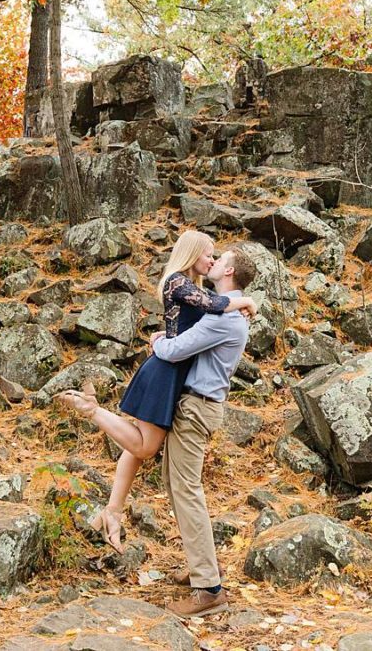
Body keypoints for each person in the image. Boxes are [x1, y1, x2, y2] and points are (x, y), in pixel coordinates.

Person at [56, 231, 255, 551]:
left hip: (175, 372)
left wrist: (165, 334)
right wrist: (244, 301)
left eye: (215, 256)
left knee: (138, 445)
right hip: (166, 369)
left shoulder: (195, 286)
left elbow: (192, 326)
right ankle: (91, 409)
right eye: (208, 254)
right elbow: (211, 306)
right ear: (192, 253)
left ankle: (112, 512)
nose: (211, 260)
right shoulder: (179, 281)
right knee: (145, 447)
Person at [148, 243, 255, 618]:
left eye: (220, 259)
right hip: (199, 406)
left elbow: (176, 350)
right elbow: (207, 301)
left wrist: (158, 341)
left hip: (196, 408)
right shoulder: (225, 307)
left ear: (229, 272)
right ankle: (199, 568)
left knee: (187, 492)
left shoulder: (223, 317)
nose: (213, 261)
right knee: (176, 486)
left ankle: (208, 589)